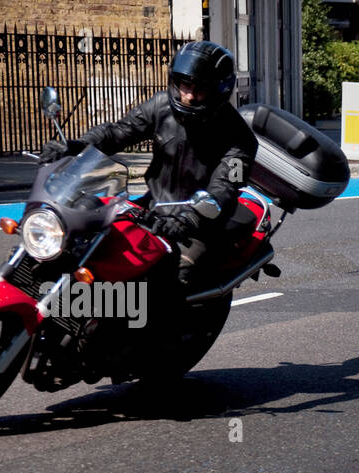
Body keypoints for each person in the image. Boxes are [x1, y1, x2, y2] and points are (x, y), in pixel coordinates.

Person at [39, 41, 257, 291]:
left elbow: (225, 188)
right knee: (83, 239)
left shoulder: (238, 137)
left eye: (199, 89)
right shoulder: (160, 106)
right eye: (184, 85)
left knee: (173, 277)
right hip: (152, 204)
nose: (187, 96)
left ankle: (168, 329)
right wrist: (76, 147)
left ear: (219, 90)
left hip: (199, 222)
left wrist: (190, 219)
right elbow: (118, 132)